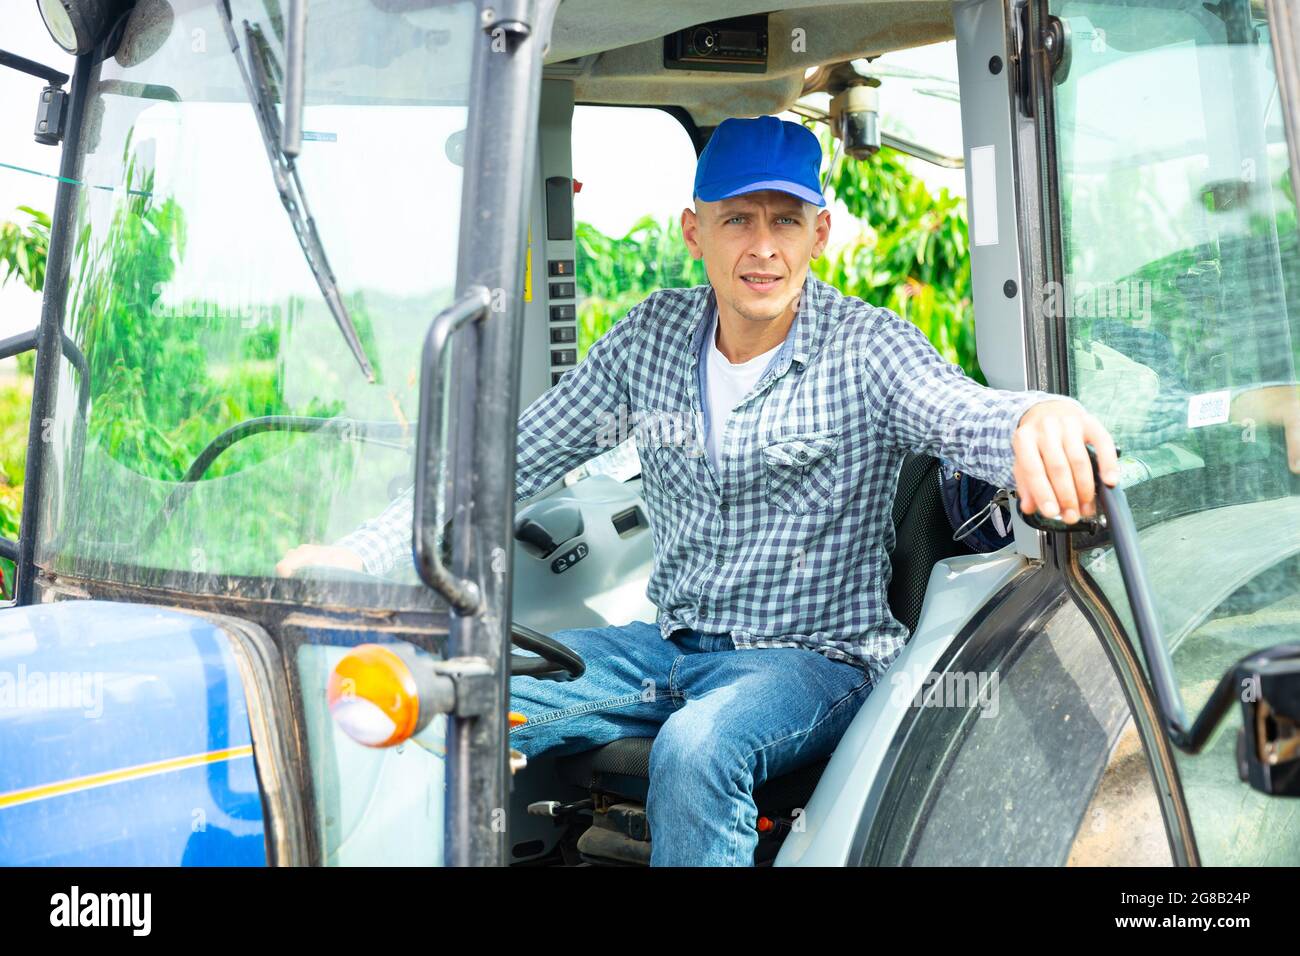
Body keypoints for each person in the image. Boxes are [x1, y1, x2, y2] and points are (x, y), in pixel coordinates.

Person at [277, 115, 1121, 866]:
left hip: (813, 662)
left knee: (699, 747)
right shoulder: (649, 341)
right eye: (738, 221)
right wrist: (360, 554)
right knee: (443, 688)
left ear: (819, 232)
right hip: (669, 652)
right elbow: (509, 463)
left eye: (786, 221)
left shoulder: (868, 349)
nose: (764, 248)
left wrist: (1037, 417)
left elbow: (962, 412)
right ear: (695, 230)